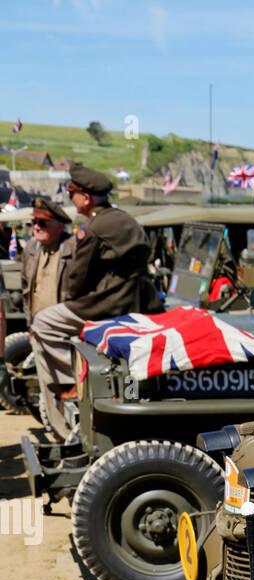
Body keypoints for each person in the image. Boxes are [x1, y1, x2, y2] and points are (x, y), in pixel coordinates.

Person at [30, 164, 160, 439]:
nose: (71, 199)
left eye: (73, 194)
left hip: (109, 303)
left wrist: (70, 301)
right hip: (140, 299)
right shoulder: (124, 218)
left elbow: (78, 278)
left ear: (86, 198)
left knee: (43, 322)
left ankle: (73, 382)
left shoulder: (93, 227)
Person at [22, 196, 75, 325]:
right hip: (37, 325)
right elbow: (26, 291)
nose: (36, 227)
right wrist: (30, 326)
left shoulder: (74, 249)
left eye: (42, 223)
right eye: (34, 222)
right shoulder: (30, 249)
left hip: (64, 328)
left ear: (60, 225)